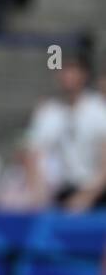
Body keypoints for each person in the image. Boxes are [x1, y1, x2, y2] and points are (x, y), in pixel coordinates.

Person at [26, 54, 106, 212]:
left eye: (73, 71)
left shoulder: (99, 109)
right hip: (60, 194)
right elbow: (34, 154)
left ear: (84, 75)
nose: (67, 77)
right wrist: (38, 193)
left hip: (96, 195)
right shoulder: (48, 111)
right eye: (64, 71)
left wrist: (87, 196)